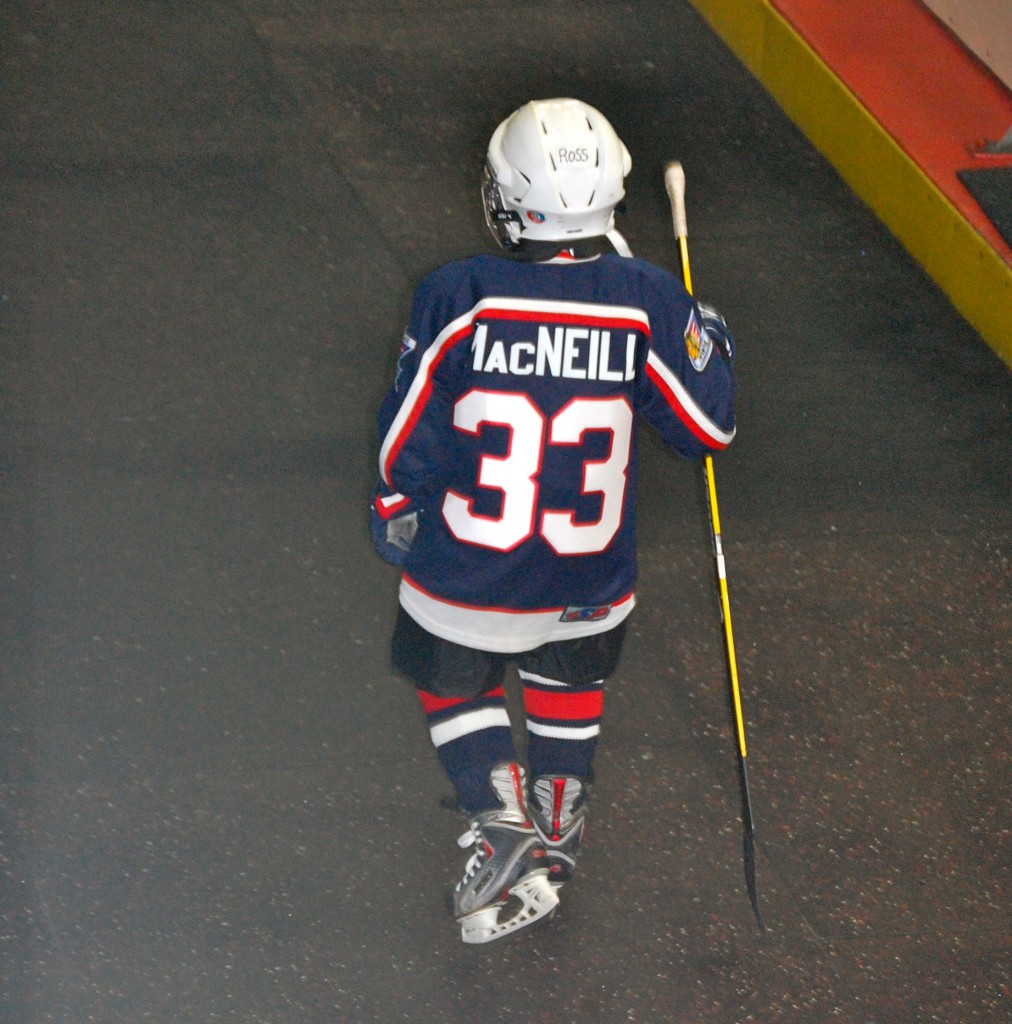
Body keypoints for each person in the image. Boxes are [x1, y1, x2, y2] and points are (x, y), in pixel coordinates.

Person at [371, 98, 736, 943]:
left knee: (446, 670)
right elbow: (706, 429)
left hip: (472, 571)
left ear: (510, 197)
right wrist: (707, 333)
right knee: (570, 674)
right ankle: (558, 819)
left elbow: (409, 425)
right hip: (589, 576)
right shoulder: (647, 299)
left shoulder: (459, 294)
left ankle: (501, 820)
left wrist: (394, 503)